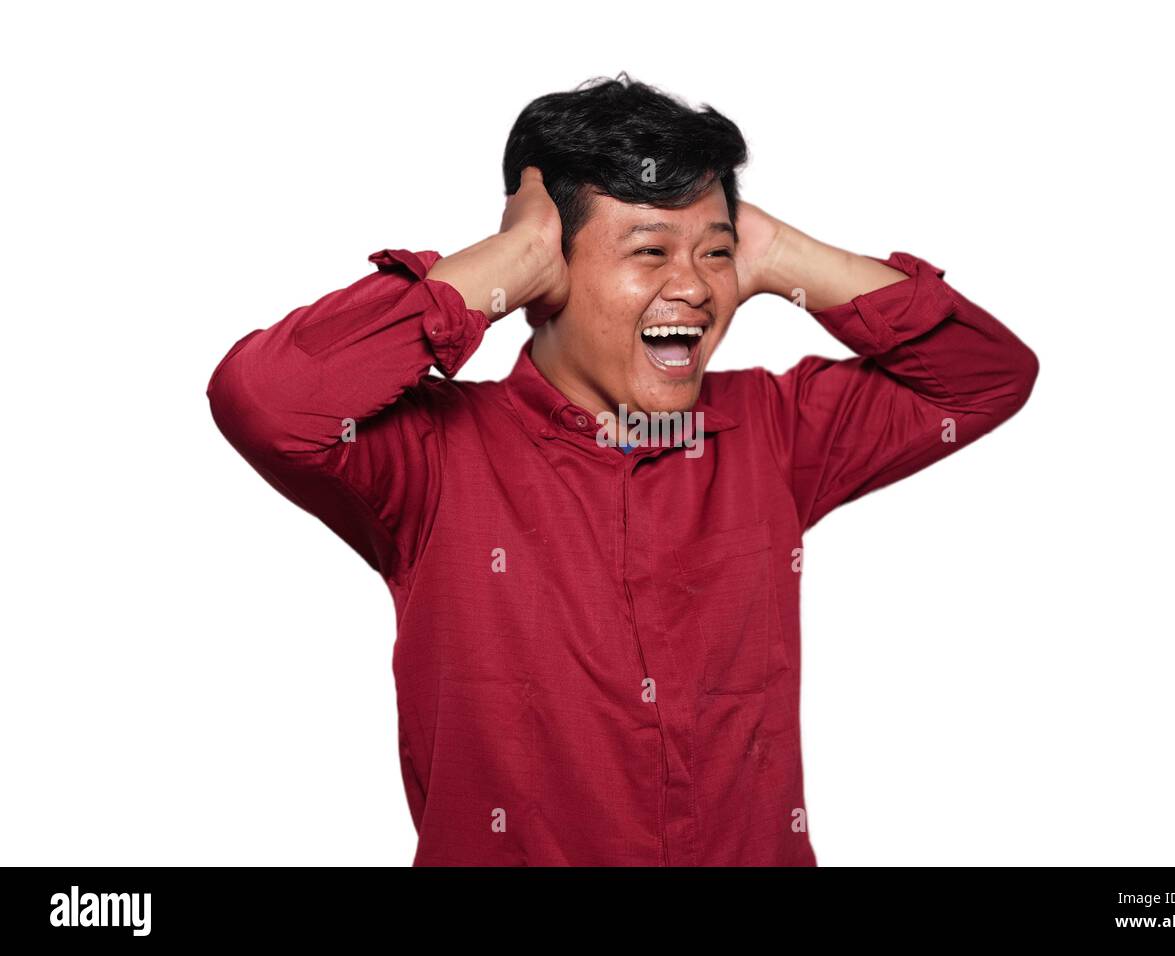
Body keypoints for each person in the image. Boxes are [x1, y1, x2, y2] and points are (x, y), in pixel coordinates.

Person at [206, 73, 1039, 866]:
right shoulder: (431, 459)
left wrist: (784, 254)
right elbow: (268, 401)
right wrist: (505, 261)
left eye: (717, 254)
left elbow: (987, 375)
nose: (696, 288)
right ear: (547, 273)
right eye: (649, 250)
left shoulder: (777, 431)